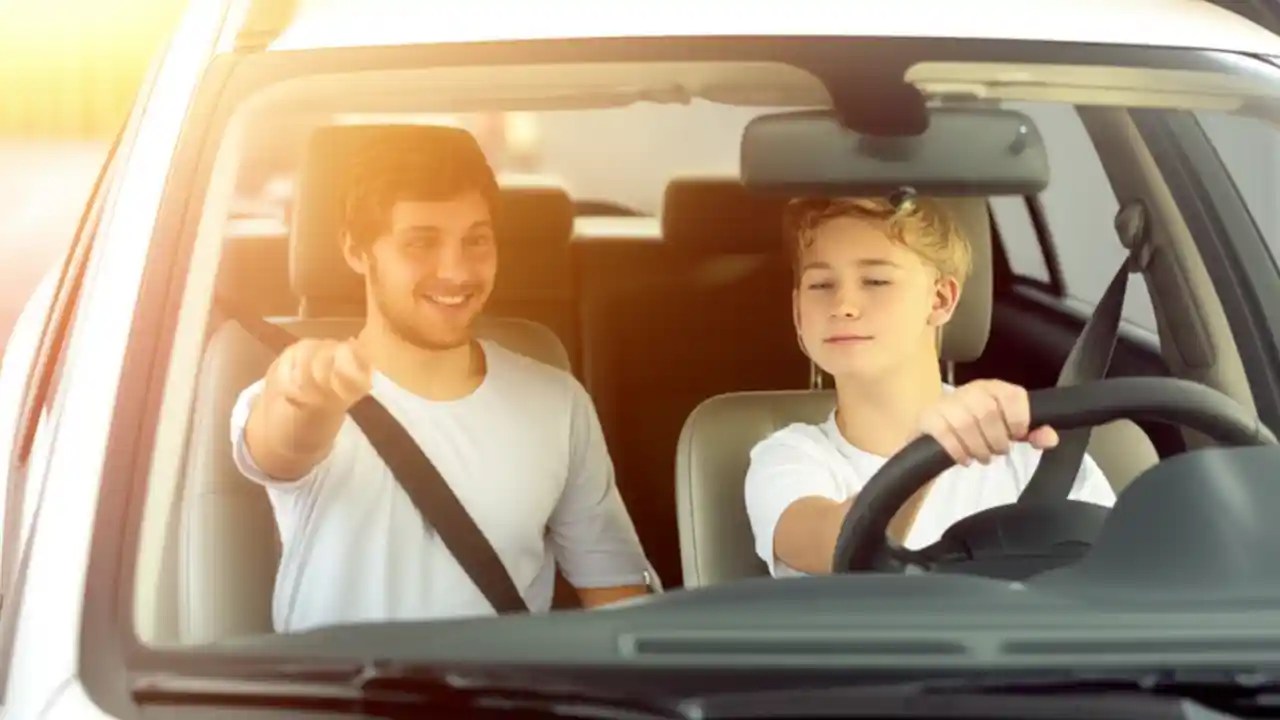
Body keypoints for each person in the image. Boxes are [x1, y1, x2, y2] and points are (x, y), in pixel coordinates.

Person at [229, 128, 652, 632]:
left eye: (476, 240)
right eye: (420, 242)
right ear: (357, 251)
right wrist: (306, 402)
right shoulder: (304, 388)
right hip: (342, 702)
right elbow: (284, 445)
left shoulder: (557, 402)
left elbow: (616, 596)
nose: (455, 271)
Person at [744, 196, 1116, 577]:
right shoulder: (790, 458)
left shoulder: (1034, 451)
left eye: (875, 280)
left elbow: (1117, 583)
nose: (844, 305)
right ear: (797, 314)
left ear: (940, 299)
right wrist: (922, 451)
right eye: (821, 284)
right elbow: (833, 549)